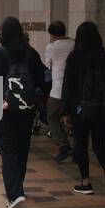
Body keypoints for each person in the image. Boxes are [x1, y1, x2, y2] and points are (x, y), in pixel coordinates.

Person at [0, 17, 45, 208]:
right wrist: (34, 101)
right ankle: (18, 186)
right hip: (26, 110)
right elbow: (41, 82)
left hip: (5, 110)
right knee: (22, 148)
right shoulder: (32, 53)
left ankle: (14, 194)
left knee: (8, 150)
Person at [62, 22, 105, 198]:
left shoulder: (74, 58)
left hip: (80, 109)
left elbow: (68, 86)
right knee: (100, 145)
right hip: (102, 109)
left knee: (80, 145)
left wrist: (65, 111)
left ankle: (85, 182)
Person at [43, 20, 76, 162]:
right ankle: (78, 149)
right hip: (73, 89)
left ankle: (64, 146)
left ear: (53, 35)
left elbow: (47, 63)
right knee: (75, 120)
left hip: (57, 89)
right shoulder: (74, 44)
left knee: (52, 117)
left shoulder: (52, 47)